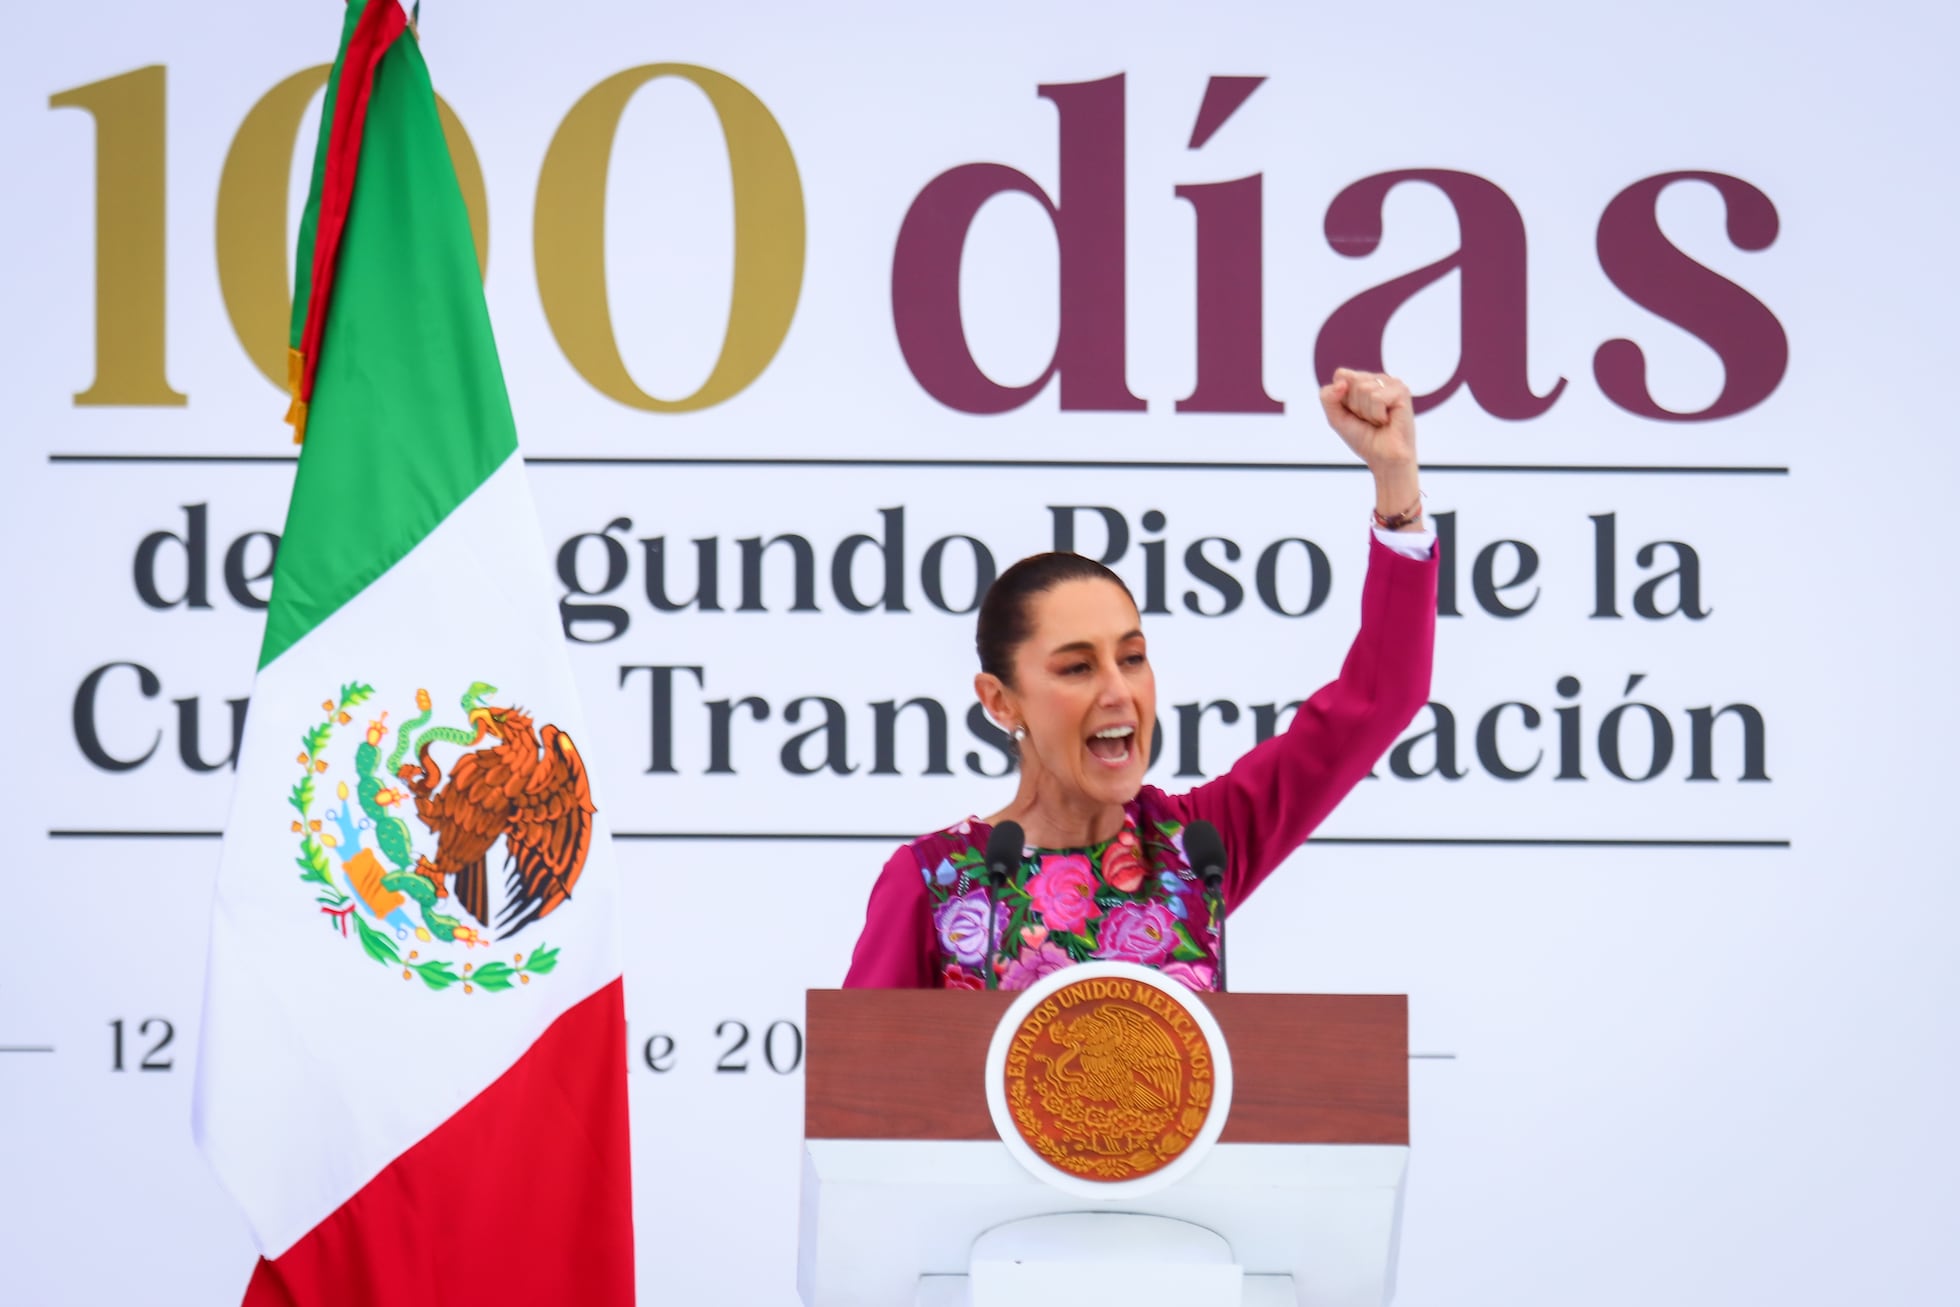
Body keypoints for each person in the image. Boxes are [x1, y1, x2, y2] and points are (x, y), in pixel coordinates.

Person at [843, 369, 1440, 991]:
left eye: (1131, 658)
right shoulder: (939, 883)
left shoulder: (1195, 850)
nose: (1116, 691)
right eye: (1076, 667)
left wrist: (1396, 488)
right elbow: (857, 1083)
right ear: (1001, 700)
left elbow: (1377, 701)